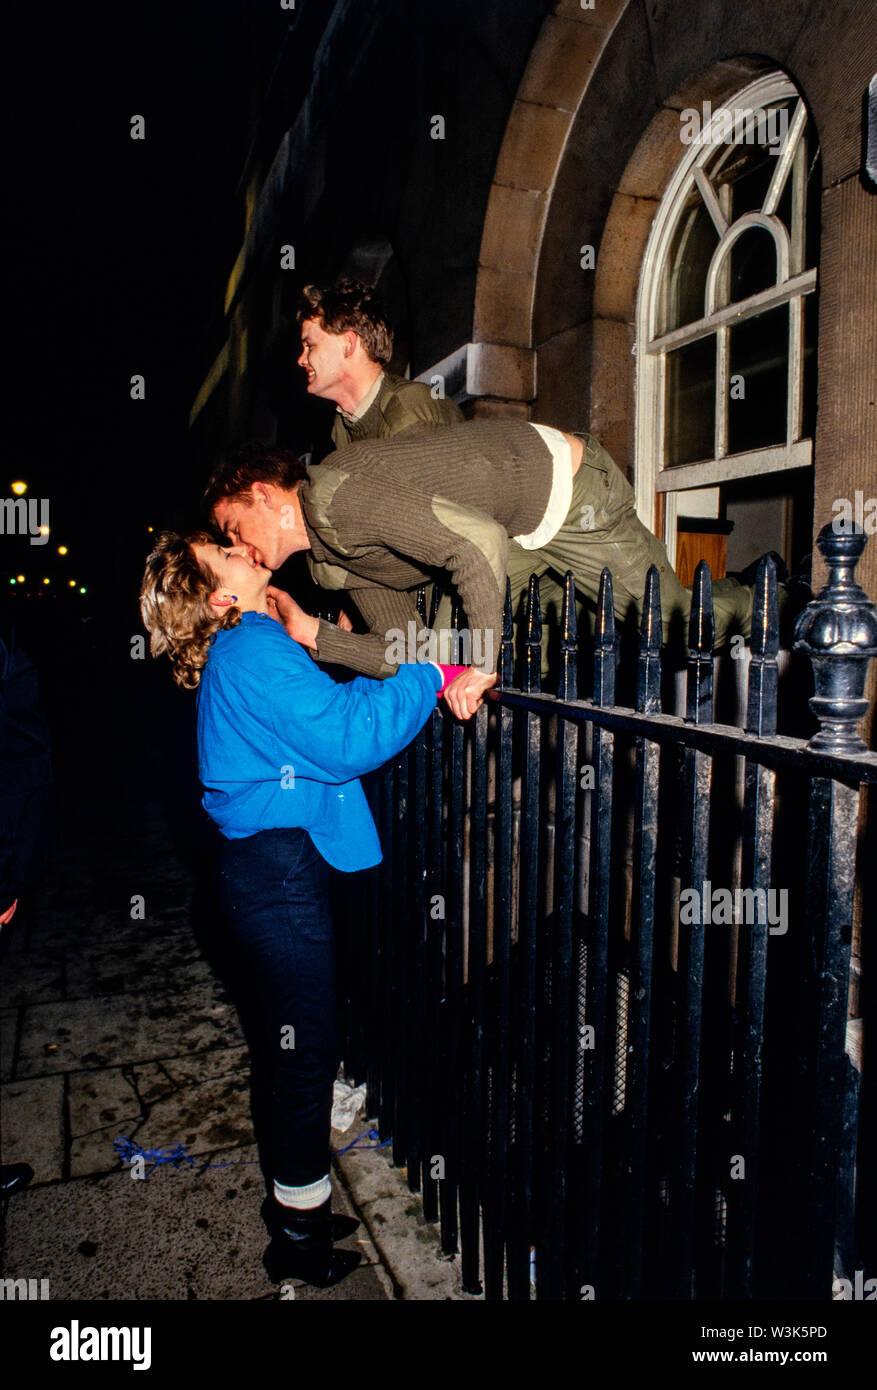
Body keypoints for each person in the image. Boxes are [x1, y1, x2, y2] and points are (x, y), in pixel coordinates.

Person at [139, 531, 464, 1289]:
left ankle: (303, 1206)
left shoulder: (251, 643)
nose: (239, 546)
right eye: (222, 550)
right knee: (301, 1057)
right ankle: (297, 1239)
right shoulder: (250, 649)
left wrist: (353, 659)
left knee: (299, 1049)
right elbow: (349, 739)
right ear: (220, 595)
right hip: (274, 876)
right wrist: (425, 673)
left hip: (270, 872)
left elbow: (321, 721)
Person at [206, 420, 760, 721]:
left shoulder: (335, 498)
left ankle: (775, 599)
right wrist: (313, 634)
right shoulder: (329, 562)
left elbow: (476, 542)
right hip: (512, 533)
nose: (238, 546)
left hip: (563, 492)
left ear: (262, 496)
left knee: (671, 620)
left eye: (233, 529)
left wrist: (481, 664)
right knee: (567, 640)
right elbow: (407, 647)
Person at [297, 280, 463, 451]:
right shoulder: (343, 425)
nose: (301, 359)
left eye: (310, 346)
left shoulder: (408, 409)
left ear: (348, 344)